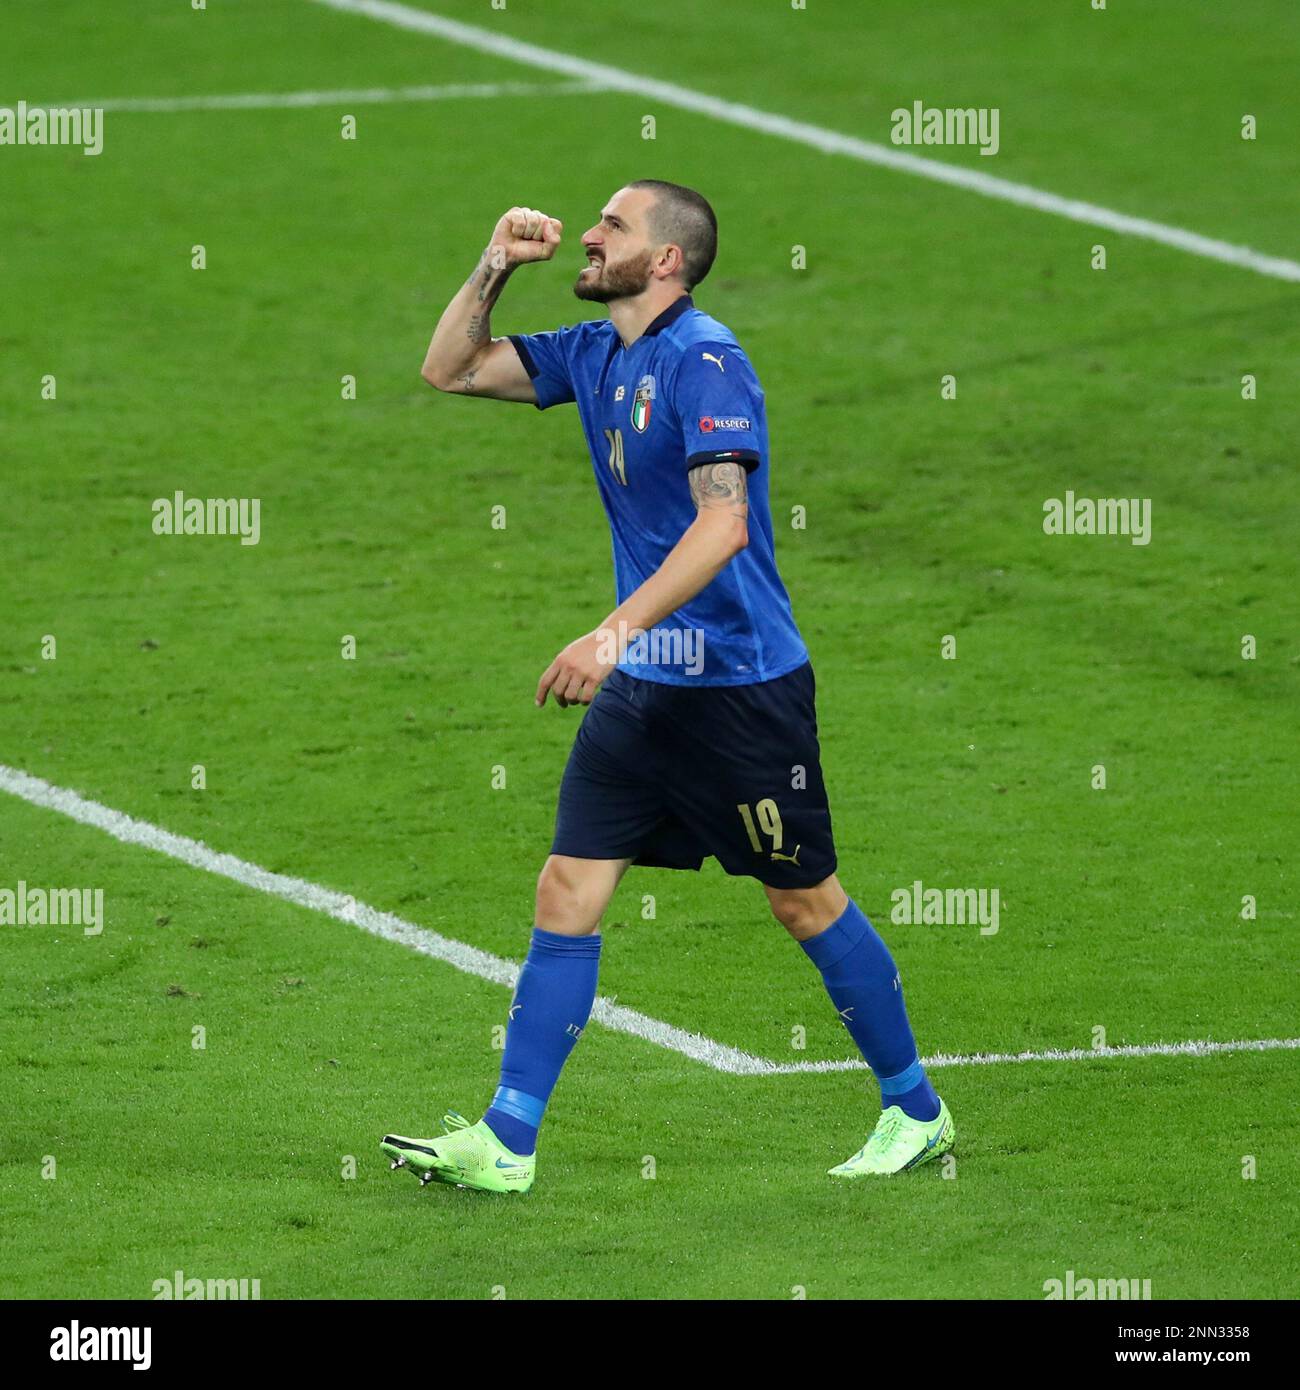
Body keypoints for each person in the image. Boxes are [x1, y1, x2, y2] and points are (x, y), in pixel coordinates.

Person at [381, 182, 954, 1193]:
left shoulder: (706, 360)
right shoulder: (595, 352)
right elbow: (451, 368)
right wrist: (494, 263)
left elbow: (723, 525)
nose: (591, 235)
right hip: (646, 689)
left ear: (668, 262)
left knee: (804, 902)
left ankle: (915, 1109)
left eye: (614, 228)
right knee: (567, 887)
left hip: (737, 688)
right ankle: (507, 1140)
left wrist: (610, 633)